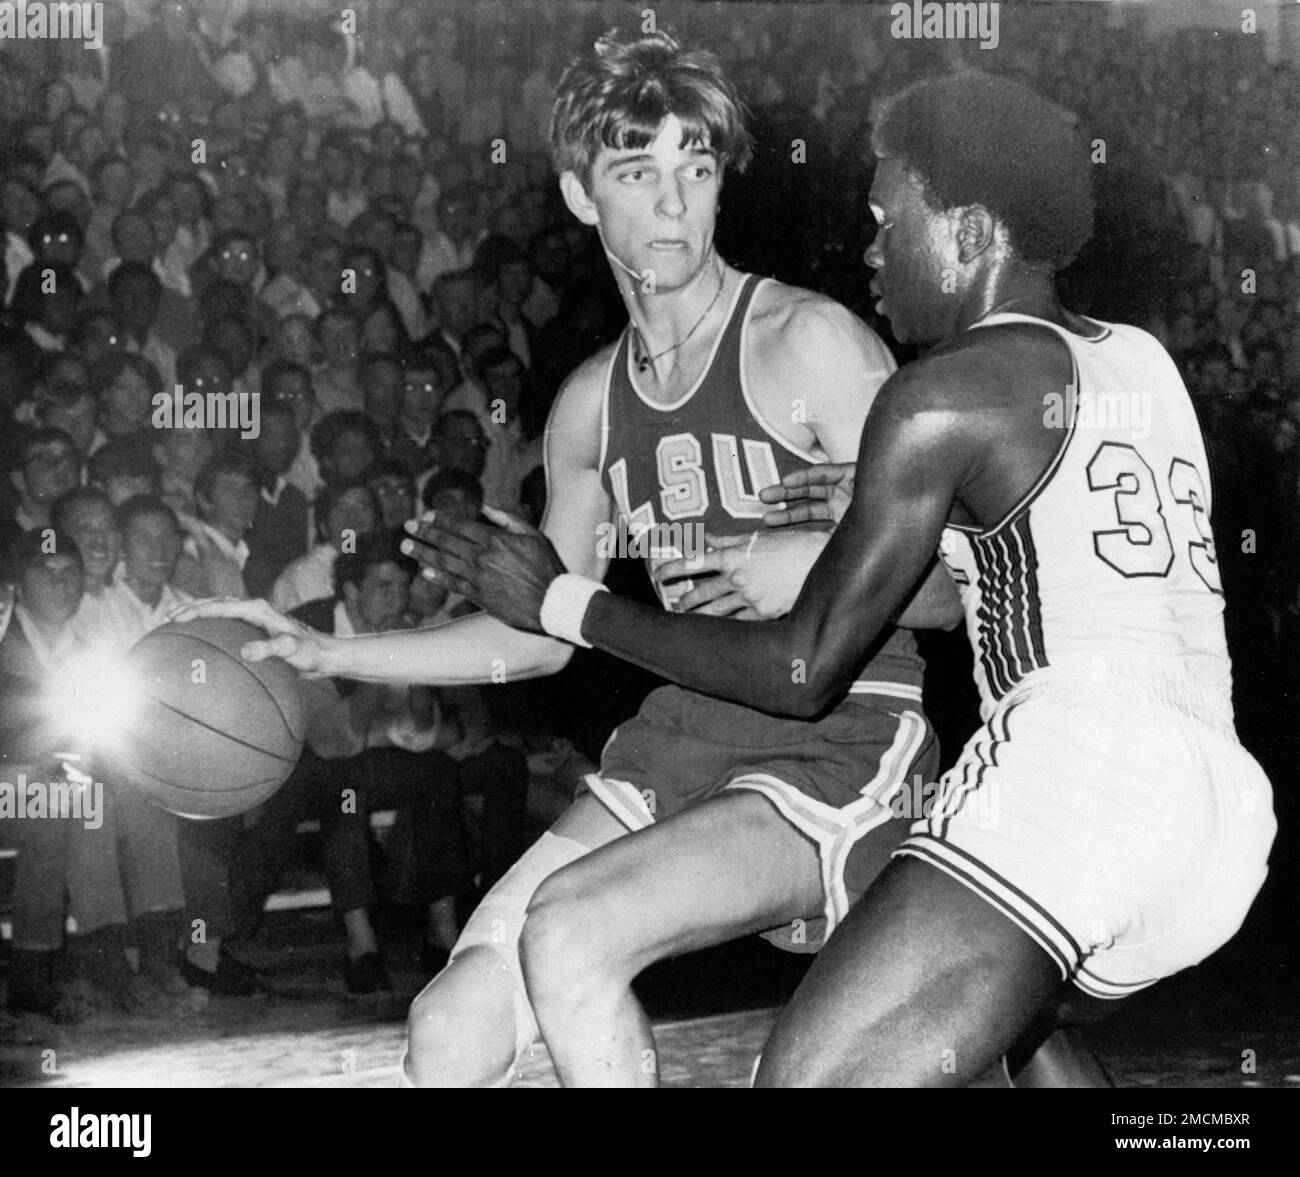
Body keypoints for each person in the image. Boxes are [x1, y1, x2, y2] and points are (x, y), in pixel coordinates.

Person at [415, 71, 1278, 1087]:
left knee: (801, 1078)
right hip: (1216, 815)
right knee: (1017, 1016)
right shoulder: (1140, 361)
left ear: (967, 232)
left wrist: (565, 602)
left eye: (886, 220)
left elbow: (800, 672)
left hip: (1072, 786)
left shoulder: (934, 396)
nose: (869, 249)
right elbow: (1050, 537)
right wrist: (890, 507)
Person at [176, 29, 967, 1089]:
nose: (674, 204)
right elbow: (540, 632)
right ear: (581, 195)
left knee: (571, 932)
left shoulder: (808, 341)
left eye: (695, 168)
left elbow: (950, 591)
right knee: (448, 1029)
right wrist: (325, 654)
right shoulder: (592, 401)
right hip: (683, 733)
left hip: (842, 732)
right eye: (638, 174)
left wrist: (811, 562)